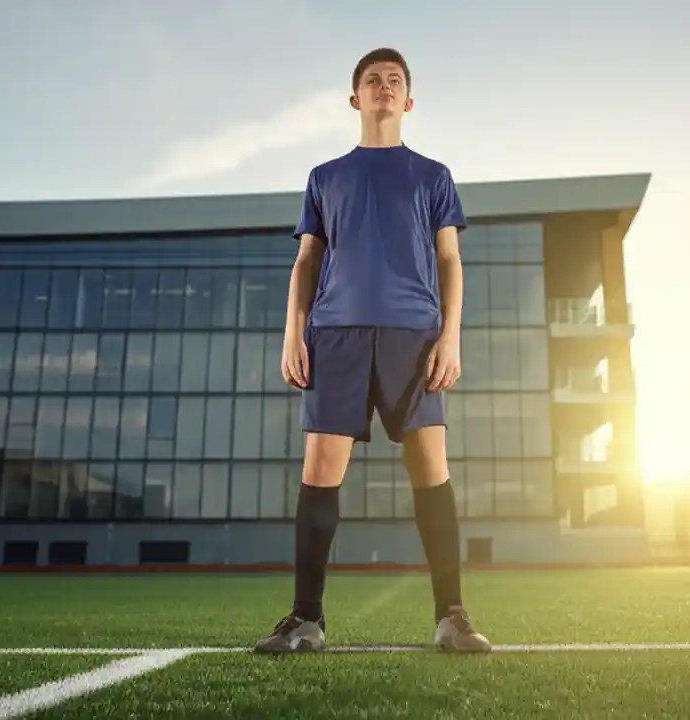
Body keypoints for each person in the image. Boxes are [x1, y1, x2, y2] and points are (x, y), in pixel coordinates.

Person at [254, 47, 491, 654]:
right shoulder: (324, 177)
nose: (383, 87)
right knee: (320, 471)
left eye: (394, 81)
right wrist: (293, 332)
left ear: (408, 101)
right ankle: (306, 619)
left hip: (413, 336)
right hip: (336, 333)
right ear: (355, 98)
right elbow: (306, 261)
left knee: (429, 470)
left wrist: (450, 333)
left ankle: (452, 616)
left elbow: (449, 259)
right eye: (371, 80)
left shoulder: (433, 175)